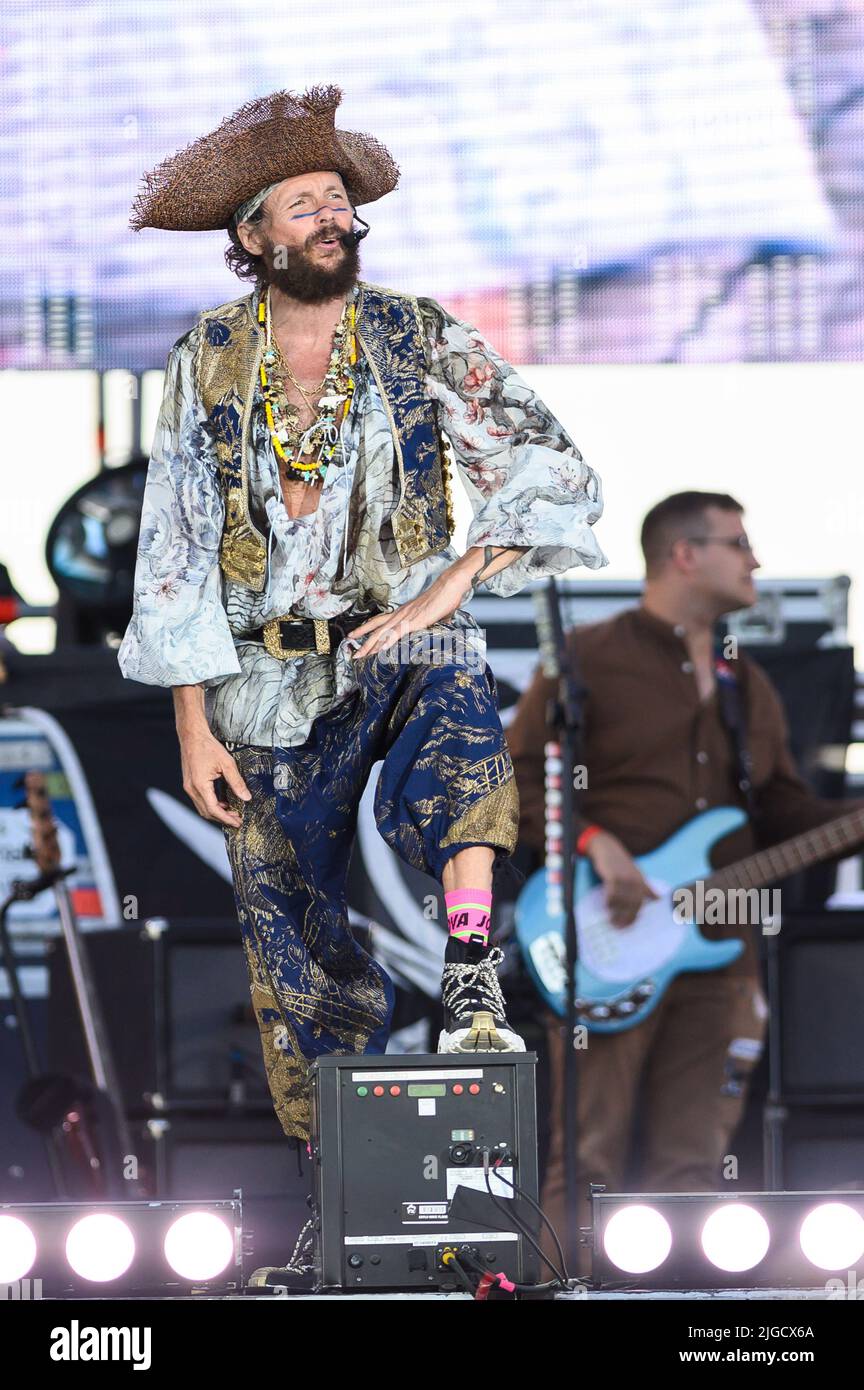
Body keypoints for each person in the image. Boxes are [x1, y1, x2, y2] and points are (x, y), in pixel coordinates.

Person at [117, 86, 606, 1143]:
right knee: (291, 944)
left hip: (400, 632)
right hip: (266, 679)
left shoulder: (412, 333)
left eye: (339, 198)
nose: (333, 216)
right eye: (304, 203)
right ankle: (338, 1178)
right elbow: (177, 547)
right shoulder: (205, 357)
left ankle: (472, 971)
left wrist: (451, 582)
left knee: (457, 705)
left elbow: (550, 465)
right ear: (253, 234)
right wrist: (193, 721)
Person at [506, 490, 864, 1273]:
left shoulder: (747, 683)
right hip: (604, 937)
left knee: (694, 1168)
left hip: (719, 954)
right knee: (585, 1158)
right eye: (738, 543)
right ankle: (563, 1291)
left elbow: (781, 810)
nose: (756, 560)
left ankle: (692, 1317)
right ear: (683, 554)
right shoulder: (588, 659)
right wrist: (596, 845)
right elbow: (517, 783)